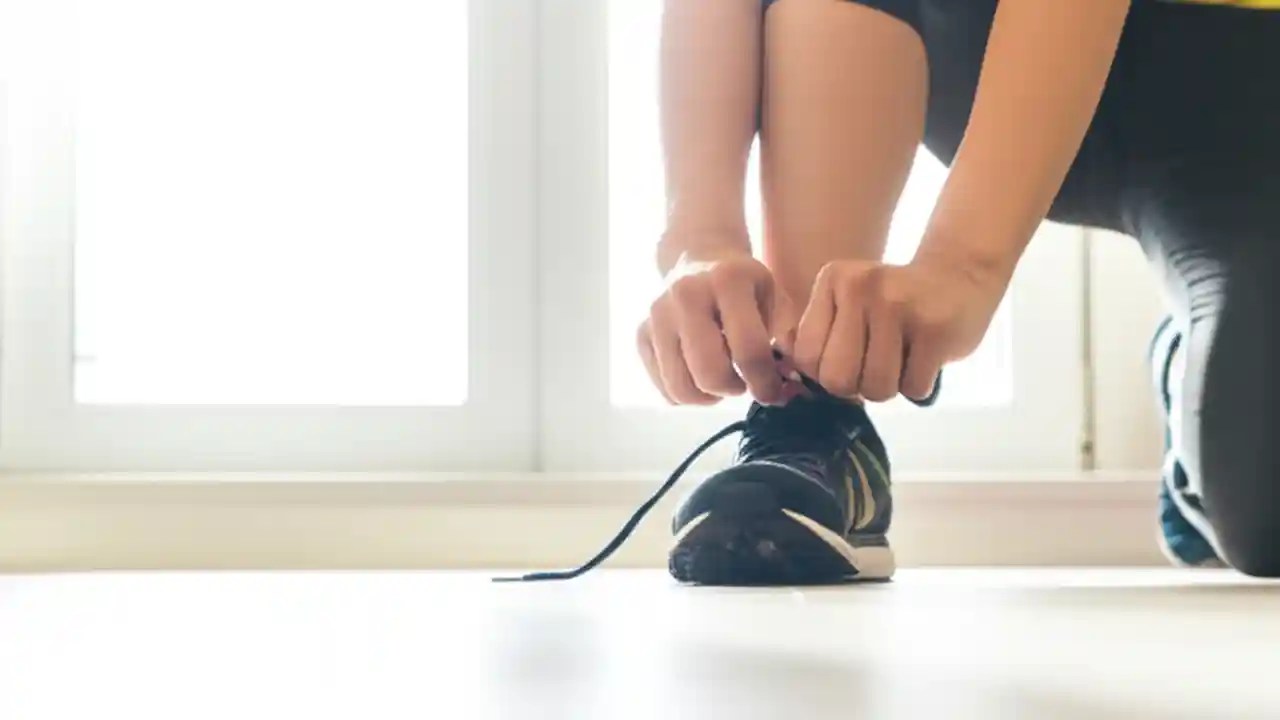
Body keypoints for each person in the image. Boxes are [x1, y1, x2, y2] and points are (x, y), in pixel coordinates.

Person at [640, 0, 1280, 584]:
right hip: (972, 38)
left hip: (1247, 67)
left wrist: (964, 266)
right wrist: (699, 236)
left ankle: (1193, 357)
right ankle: (811, 419)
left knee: (1266, 505)